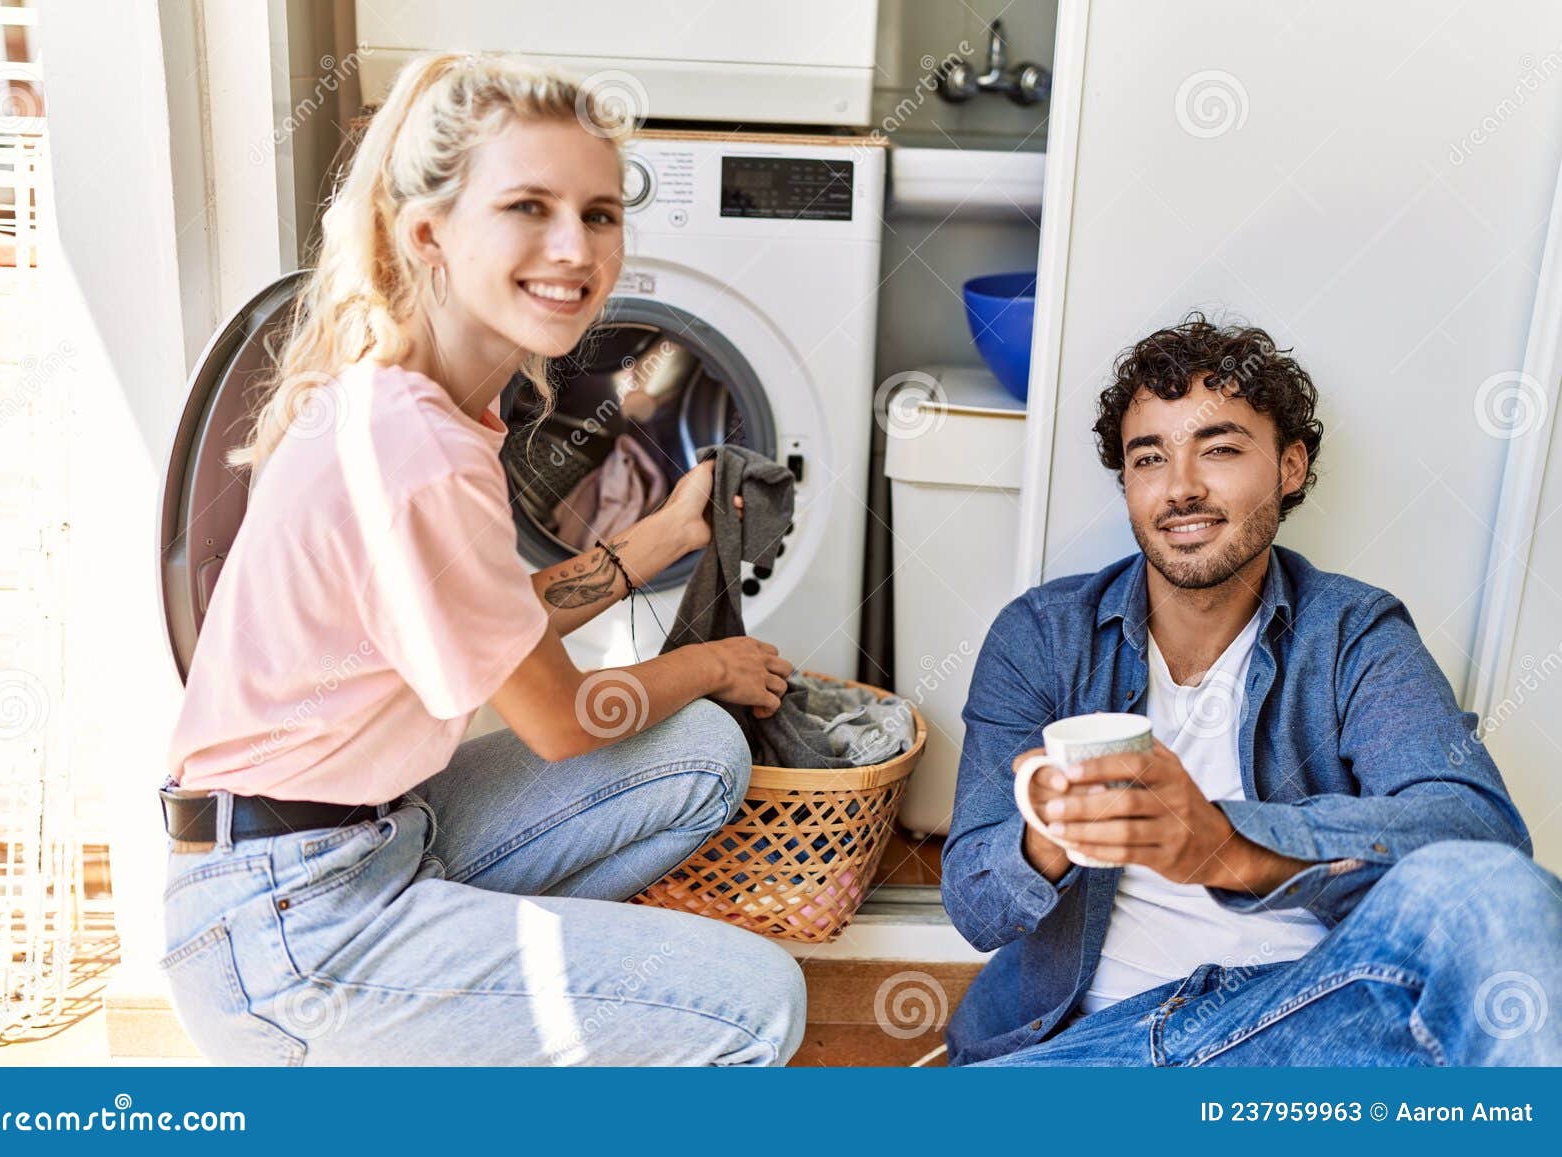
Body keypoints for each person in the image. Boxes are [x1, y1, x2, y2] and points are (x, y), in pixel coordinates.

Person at [157, 52, 806, 1066]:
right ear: (429, 234)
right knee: (755, 1003)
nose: (573, 246)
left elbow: (486, 619)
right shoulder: (414, 446)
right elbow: (559, 719)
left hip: (370, 838)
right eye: (527, 207)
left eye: (598, 213)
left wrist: (664, 538)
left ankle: (466, 1022)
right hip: (292, 927)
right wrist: (714, 664)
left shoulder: (432, 403)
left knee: (702, 755)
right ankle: (408, 1026)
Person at [942, 313, 1562, 1066]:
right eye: (1149, 459)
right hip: (1087, 1049)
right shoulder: (1041, 633)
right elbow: (974, 903)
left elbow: (1480, 833)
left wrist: (1226, 847)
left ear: (1290, 466)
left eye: (1221, 449)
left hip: (1304, 1024)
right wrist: (1055, 829)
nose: (1182, 489)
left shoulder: (1353, 632)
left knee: (1501, 897)